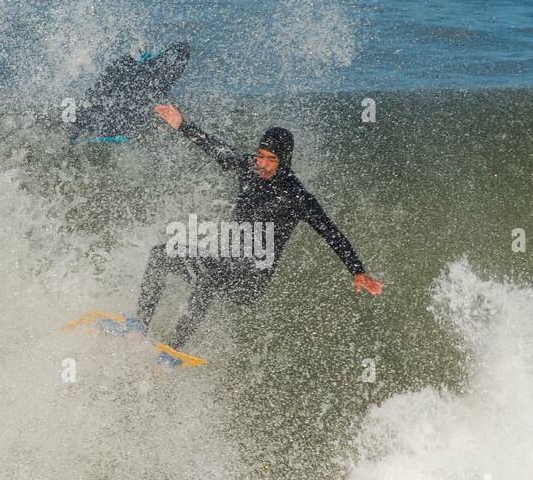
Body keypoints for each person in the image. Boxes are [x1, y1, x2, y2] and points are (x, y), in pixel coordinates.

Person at [125, 103, 383, 365]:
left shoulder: (296, 197)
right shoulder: (250, 168)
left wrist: (357, 270)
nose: (263, 164)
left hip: (252, 280)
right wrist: (182, 124)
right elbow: (217, 149)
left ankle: (172, 352)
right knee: (161, 254)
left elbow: (332, 234)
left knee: (209, 276)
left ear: (285, 160)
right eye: (261, 155)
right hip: (228, 262)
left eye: (272, 159)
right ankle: (138, 326)